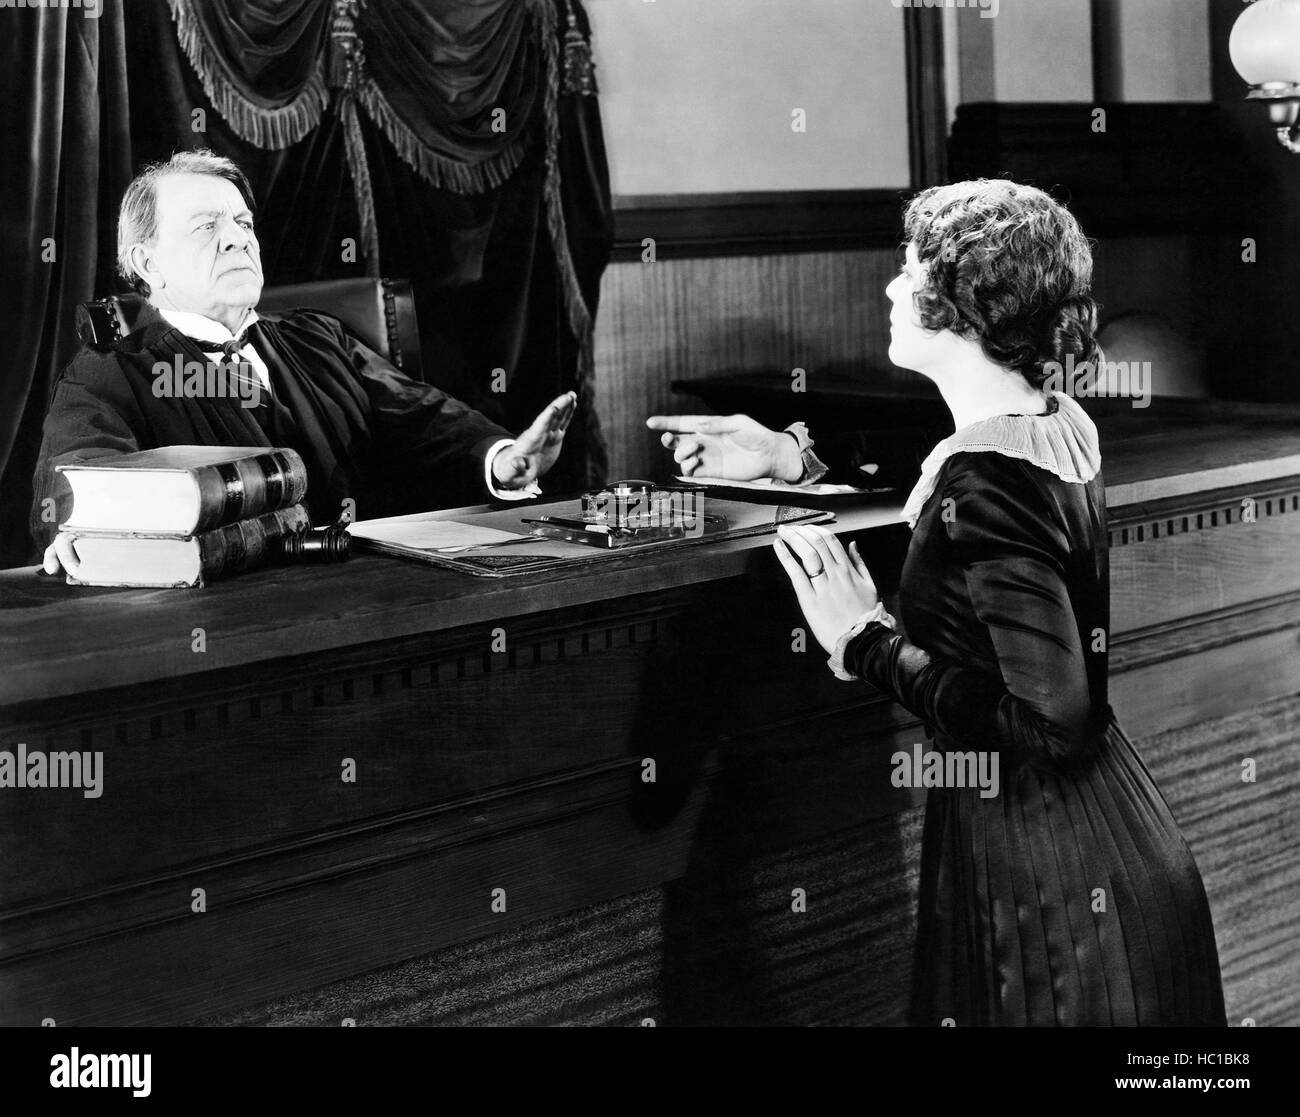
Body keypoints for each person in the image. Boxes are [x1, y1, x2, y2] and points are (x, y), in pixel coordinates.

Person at [648, 179, 1227, 1026]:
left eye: (910, 270)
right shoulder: (1047, 423)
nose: (890, 288)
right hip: (1085, 847)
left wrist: (866, 641)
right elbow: (938, 510)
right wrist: (790, 462)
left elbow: (1051, 720)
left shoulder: (987, 471)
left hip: (1052, 882)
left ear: (964, 308)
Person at [34, 149, 575, 574]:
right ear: (147, 262)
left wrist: (503, 460)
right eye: (206, 227)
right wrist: (87, 527)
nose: (237, 241)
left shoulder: (318, 337)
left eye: (244, 224)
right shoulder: (109, 371)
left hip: (369, 594)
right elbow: (79, 477)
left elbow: (422, 417)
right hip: (224, 622)